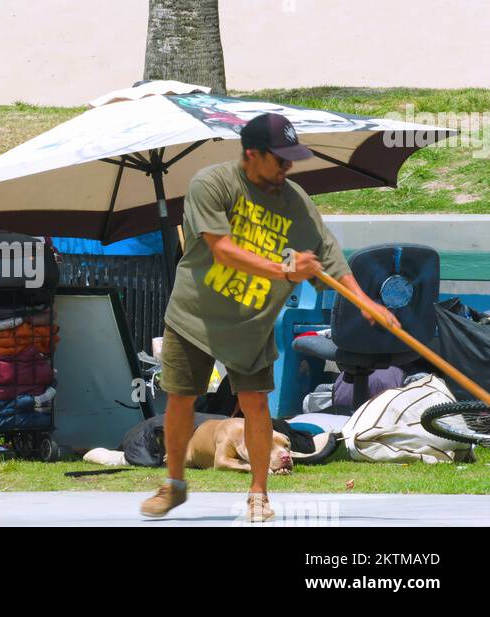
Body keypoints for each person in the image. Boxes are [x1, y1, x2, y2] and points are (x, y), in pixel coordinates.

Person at [140, 113, 399, 523]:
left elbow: (328, 256)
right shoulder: (212, 183)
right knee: (181, 400)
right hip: (195, 316)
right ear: (252, 154)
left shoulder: (294, 200)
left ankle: (258, 493)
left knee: (256, 405)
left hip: (252, 322)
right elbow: (222, 249)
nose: (287, 167)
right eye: (279, 159)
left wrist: (367, 302)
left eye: (290, 159)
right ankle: (174, 484)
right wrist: (284, 271)